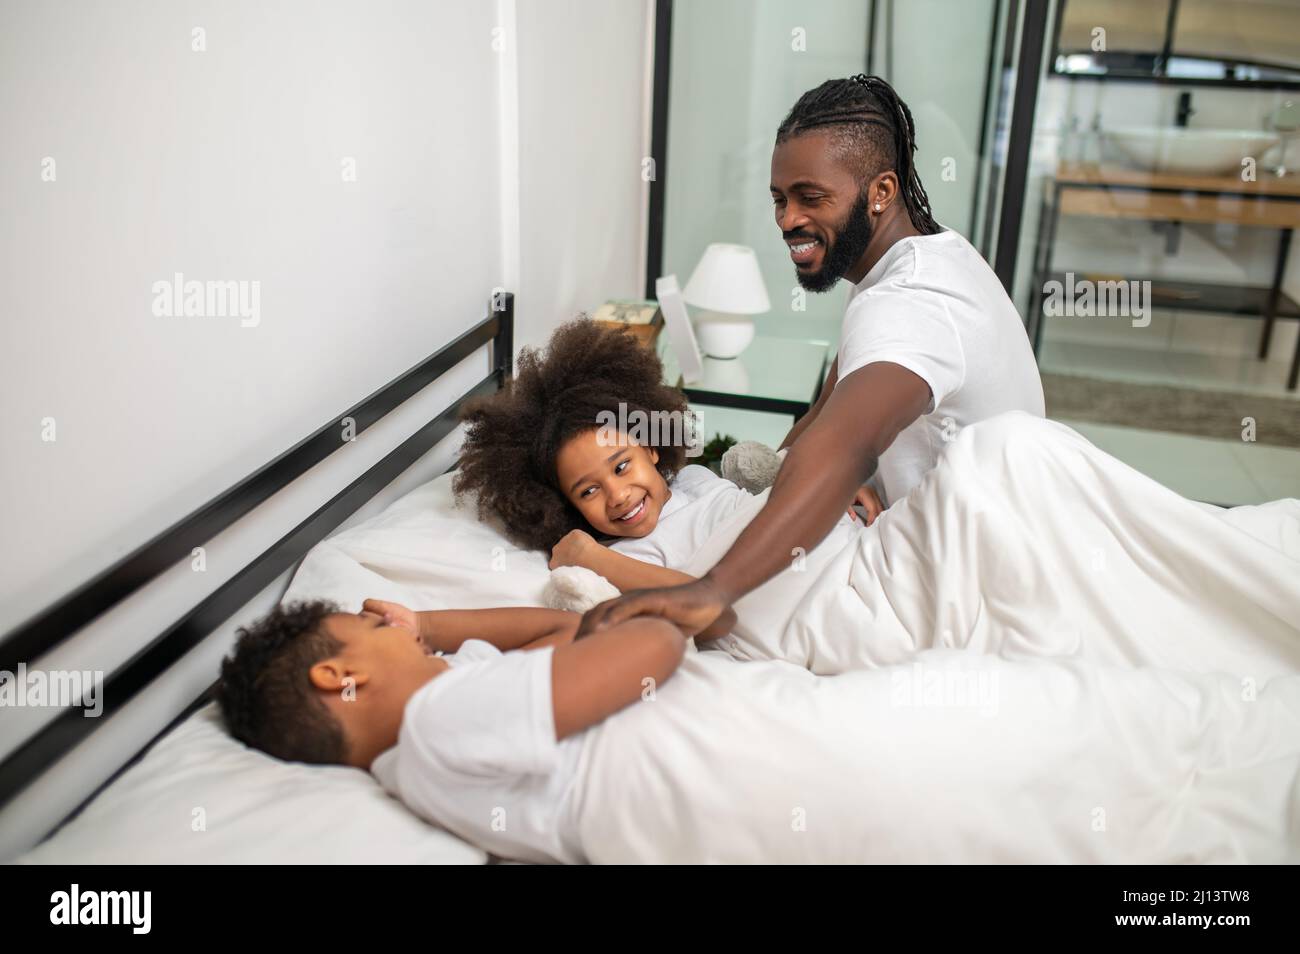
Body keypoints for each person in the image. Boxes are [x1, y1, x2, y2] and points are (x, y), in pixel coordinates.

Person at [579, 73, 1044, 640]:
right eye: (779, 198)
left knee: (720, 604)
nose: (787, 220)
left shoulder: (909, 303)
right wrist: (761, 494)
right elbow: (823, 419)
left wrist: (714, 590)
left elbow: (844, 446)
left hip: (958, 591)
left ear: (881, 191)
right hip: (966, 546)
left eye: (810, 197)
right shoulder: (913, 259)